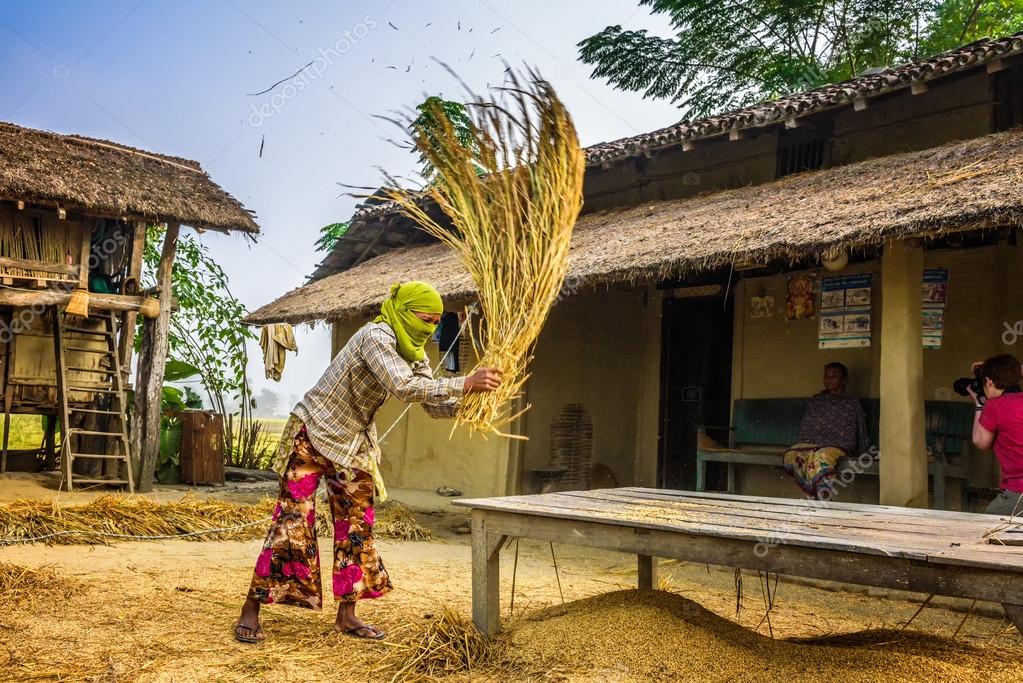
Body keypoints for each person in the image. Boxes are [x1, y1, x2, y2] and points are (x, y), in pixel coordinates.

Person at [234, 281, 501, 643]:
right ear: (404, 312)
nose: (427, 328)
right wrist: (464, 382)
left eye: (434, 324)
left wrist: (471, 405)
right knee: (292, 522)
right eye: (423, 319)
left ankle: (347, 616)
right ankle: (252, 606)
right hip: (313, 432)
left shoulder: (416, 354)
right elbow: (403, 387)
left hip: (353, 444)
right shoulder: (375, 336)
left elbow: (431, 402)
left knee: (357, 528)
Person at [783, 362, 869, 499]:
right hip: (813, 443)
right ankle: (811, 493)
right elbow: (807, 426)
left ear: (844, 380)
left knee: (822, 457)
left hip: (838, 445)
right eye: (827, 376)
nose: (829, 380)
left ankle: (822, 495)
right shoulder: (817, 400)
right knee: (793, 454)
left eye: (833, 377)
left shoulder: (851, 402)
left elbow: (856, 430)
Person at [969, 354, 1023, 516]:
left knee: (985, 530)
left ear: (990, 382)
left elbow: (981, 442)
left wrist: (979, 405)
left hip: (1019, 491)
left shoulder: (995, 406)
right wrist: (1011, 371)